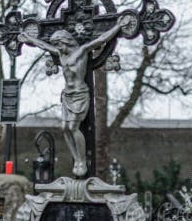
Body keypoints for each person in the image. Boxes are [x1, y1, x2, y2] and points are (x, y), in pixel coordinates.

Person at [18, 17, 130, 176]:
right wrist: (29, 38)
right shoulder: (60, 54)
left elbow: (101, 39)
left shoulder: (81, 51)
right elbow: (44, 45)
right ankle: (76, 158)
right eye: (56, 45)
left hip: (79, 94)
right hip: (67, 95)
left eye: (59, 44)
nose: (58, 48)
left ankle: (82, 160)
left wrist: (118, 26)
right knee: (64, 128)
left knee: (72, 127)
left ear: (66, 41)